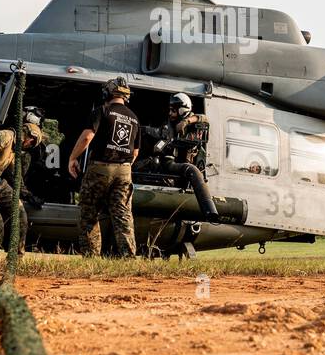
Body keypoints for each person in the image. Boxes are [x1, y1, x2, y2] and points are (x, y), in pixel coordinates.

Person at [68, 76, 140, 257]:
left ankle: (91, 257)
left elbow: (87, 137)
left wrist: (72, 158)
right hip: (124, 171)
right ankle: (129, 257)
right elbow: (136, 152)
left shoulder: (102, 111)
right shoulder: (134, 118)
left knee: (89, 213)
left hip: (100, 169)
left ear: (108, 92)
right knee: (123, 216)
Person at [137, 92, 220, 222]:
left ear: (182, 110)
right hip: (173, 162)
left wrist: (187, 121)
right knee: (152, 162)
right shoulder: (169, 125)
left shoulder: (193, 122)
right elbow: (162, 139)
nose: (170, 113)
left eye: (173, 110)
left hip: (187, 166)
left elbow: (204, 118)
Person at [0, 122, 45, 259]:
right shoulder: (6, 136)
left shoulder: (13, 150)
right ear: (26, 134)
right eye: (32, 140)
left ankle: (15, 259)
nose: (30, 144)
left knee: (21, 216)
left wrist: (27, 195)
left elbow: (15, 175)